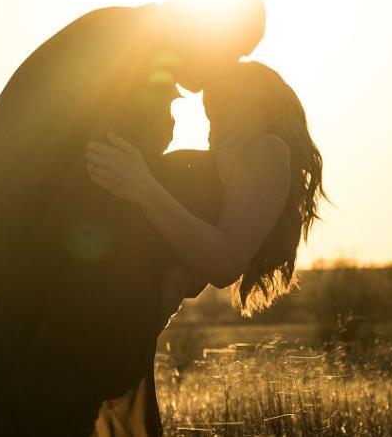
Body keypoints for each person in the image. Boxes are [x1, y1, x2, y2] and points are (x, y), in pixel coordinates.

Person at [0, 0, 266, 436]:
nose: (220, 73)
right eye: (229, 52)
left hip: (3, 284)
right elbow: (106, 200)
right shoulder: (122, 53)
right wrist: (173, 272)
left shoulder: (131, 50)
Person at [81, 60, 327, 435]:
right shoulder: (225, 160)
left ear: (264, 105)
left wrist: (145, 189)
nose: (216, 114)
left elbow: (223, 261)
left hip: (107, 324)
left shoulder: (267, 150)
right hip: (100, 314)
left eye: (230, 101)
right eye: (213, 107)